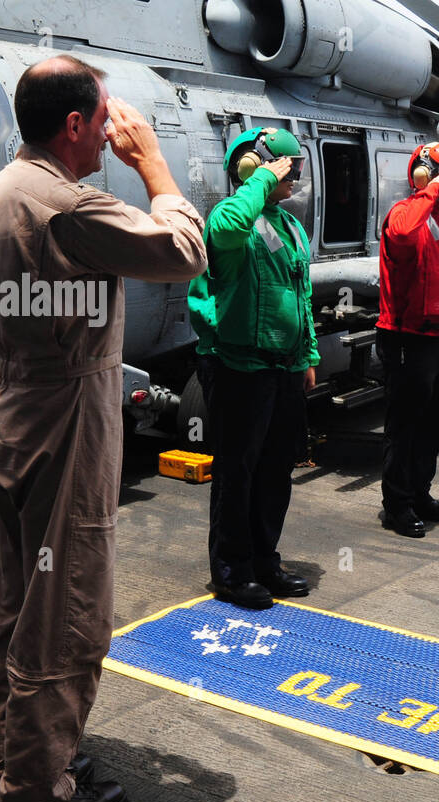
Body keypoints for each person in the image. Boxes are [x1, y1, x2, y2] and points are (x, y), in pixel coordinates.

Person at [0, 56, 207, 802]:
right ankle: (34, 793)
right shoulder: (67, 208)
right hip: (66, 424)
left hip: (5, 413)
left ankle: (24, 760)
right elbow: (182, 250)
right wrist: (155, 165)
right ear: (73, 125)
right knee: (65, 612)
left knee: (17, 603)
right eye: (104, 121)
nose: (112, 133)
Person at [188, 127, 317, 608]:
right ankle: (231, 570)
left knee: (275, 470)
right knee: (238, 473)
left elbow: (300, 292)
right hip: (238, 367)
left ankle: (265, 559)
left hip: (282, 367)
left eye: (295, 169)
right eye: (287, 169)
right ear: (251, 167)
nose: (293, 178)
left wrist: (307, 357)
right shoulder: (229, 215)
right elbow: (226, 232)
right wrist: (259, 181)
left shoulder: (288, 225)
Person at [376, 142, 439, 537]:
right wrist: (429, 188)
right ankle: (397, 504)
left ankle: (419, 492)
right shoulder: (405, 213)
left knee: (435, 420)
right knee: (406, 424)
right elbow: (401, 231)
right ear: (425, 176)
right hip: (407, 338)